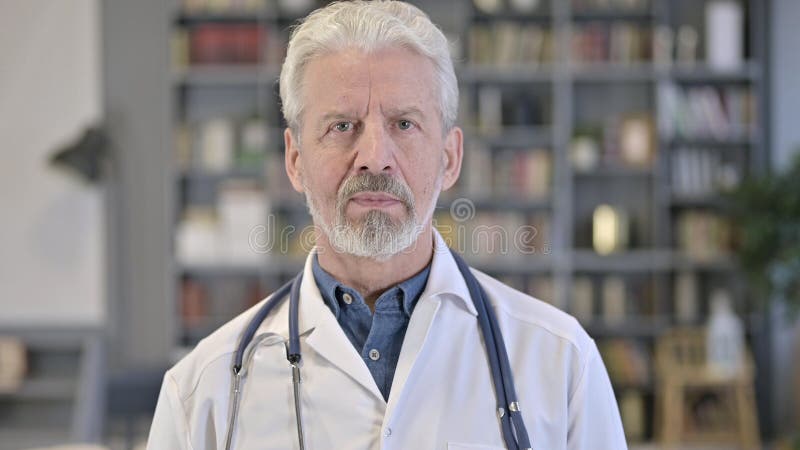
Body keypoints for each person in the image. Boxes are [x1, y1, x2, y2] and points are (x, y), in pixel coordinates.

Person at [147, 1, 627, 449]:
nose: (375, 157)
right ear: (294, 160)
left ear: (449, 157)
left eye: (403, 124)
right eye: (341, 126)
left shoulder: (560, 364)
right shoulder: (202, 394)